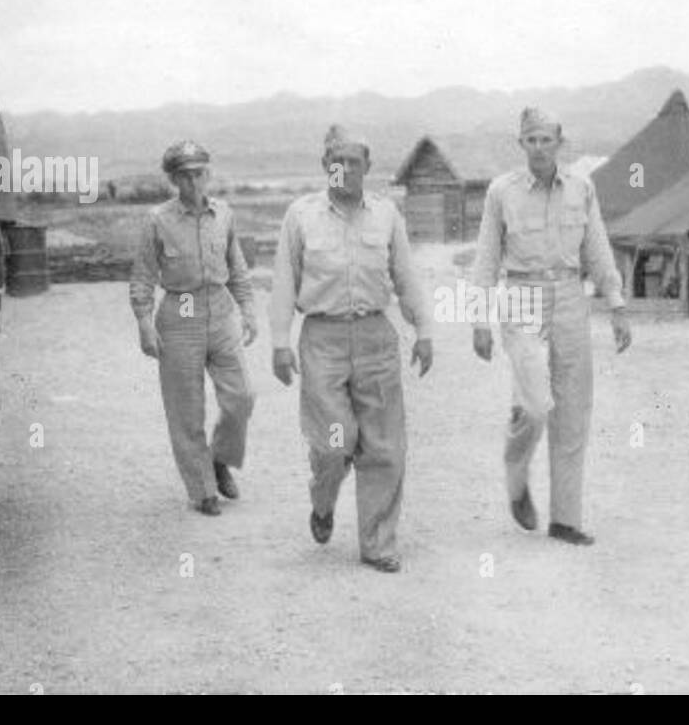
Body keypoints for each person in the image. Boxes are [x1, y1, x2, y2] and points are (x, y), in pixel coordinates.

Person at [269, 125, 433, 573]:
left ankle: (377, 543)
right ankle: (323, 500)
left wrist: (424, 330)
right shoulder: (301, 216)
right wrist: (280, 342)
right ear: (326, 167)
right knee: (333, 443)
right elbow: (284, 281)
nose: (345, 169)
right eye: (336, 161)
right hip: (322, 341)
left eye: (354, 161)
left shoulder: (386, 216)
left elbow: (407, 276)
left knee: (384, 446)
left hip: (376, 337)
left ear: (367, 167)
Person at [470, 107, 631, 546]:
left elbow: (597, 248)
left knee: (573, 411)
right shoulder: (501, 192)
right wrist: (479, 317)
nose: (539, 149)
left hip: (570, 298)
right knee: (536, 405)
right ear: (520, 144)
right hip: (521, 295)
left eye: (546, 140)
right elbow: (485, 256)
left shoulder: (582, 188)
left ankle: (566, 520)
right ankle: (516, 475)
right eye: (531, 141)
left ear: (560, 142)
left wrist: (616, 304)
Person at [129, 140, 257, 517]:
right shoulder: (158, 220)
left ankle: (220, 459)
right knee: (186, 410)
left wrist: (248, 309)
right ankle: (202, 490)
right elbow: (143, 275)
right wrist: (143, 322)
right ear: (172, 180)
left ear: (209, 174)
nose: (193, 182)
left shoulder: (225, 214)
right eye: (184, 176)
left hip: (220, 310)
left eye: (199, 174)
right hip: (179, 315)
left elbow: (238, 268)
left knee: (242, 397)